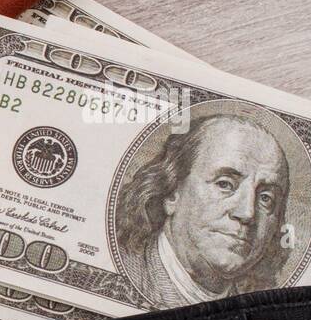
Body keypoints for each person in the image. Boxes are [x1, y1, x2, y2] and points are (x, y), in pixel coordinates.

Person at [116, 110, 291, 309]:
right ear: (172, 191)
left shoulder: (258, 309)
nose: (247, 213)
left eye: (266, 198)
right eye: (225, 184)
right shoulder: (126, 273)